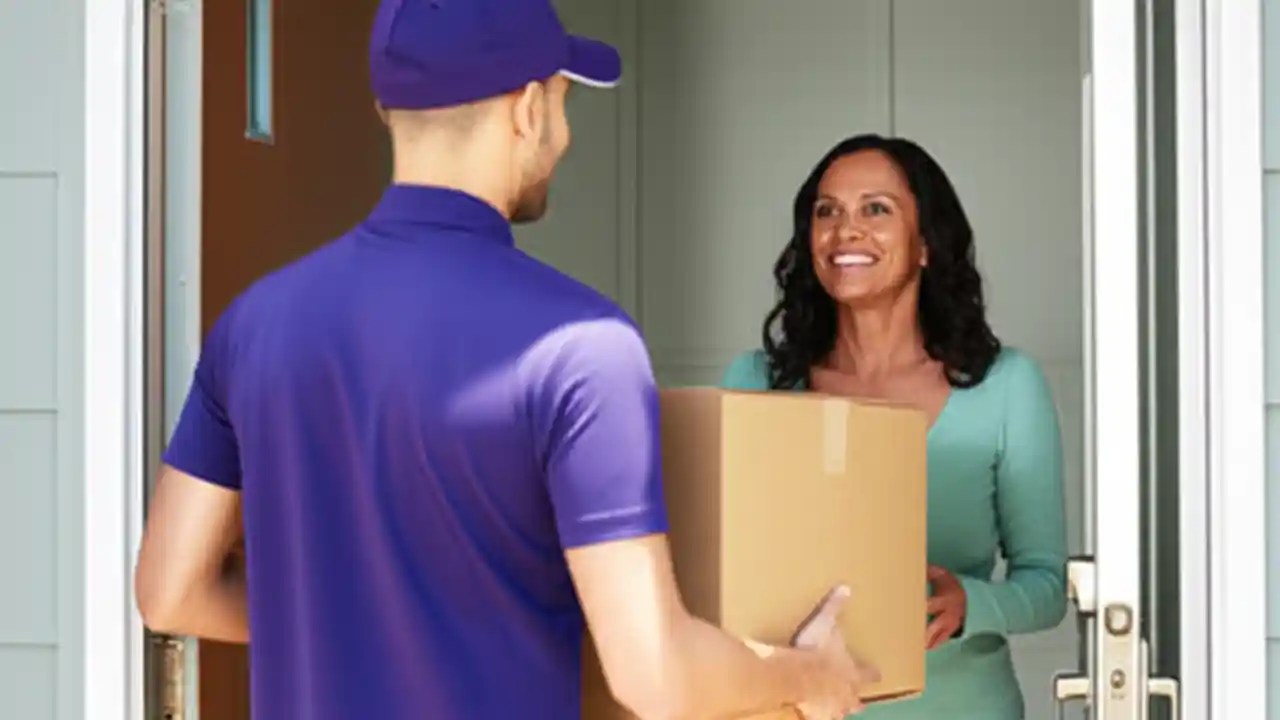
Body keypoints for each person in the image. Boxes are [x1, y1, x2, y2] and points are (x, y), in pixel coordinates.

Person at [133, 1, 877, 718]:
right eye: (562, 104)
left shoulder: (255, 323)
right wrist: (810, 672)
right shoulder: (580, 344)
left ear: (387, 111)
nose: (563, 135)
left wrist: (363, 625)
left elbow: (170, 593)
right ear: (528, 109)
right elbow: (655, 674)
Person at [722, 134, 1068, 719]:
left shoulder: (1007, 387)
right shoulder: (756, 382)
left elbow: (1046, 586)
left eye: (876, 210)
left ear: (926, 242)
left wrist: (971, 604)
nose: (846, 231)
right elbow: (722, 567)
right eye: (827, 211)